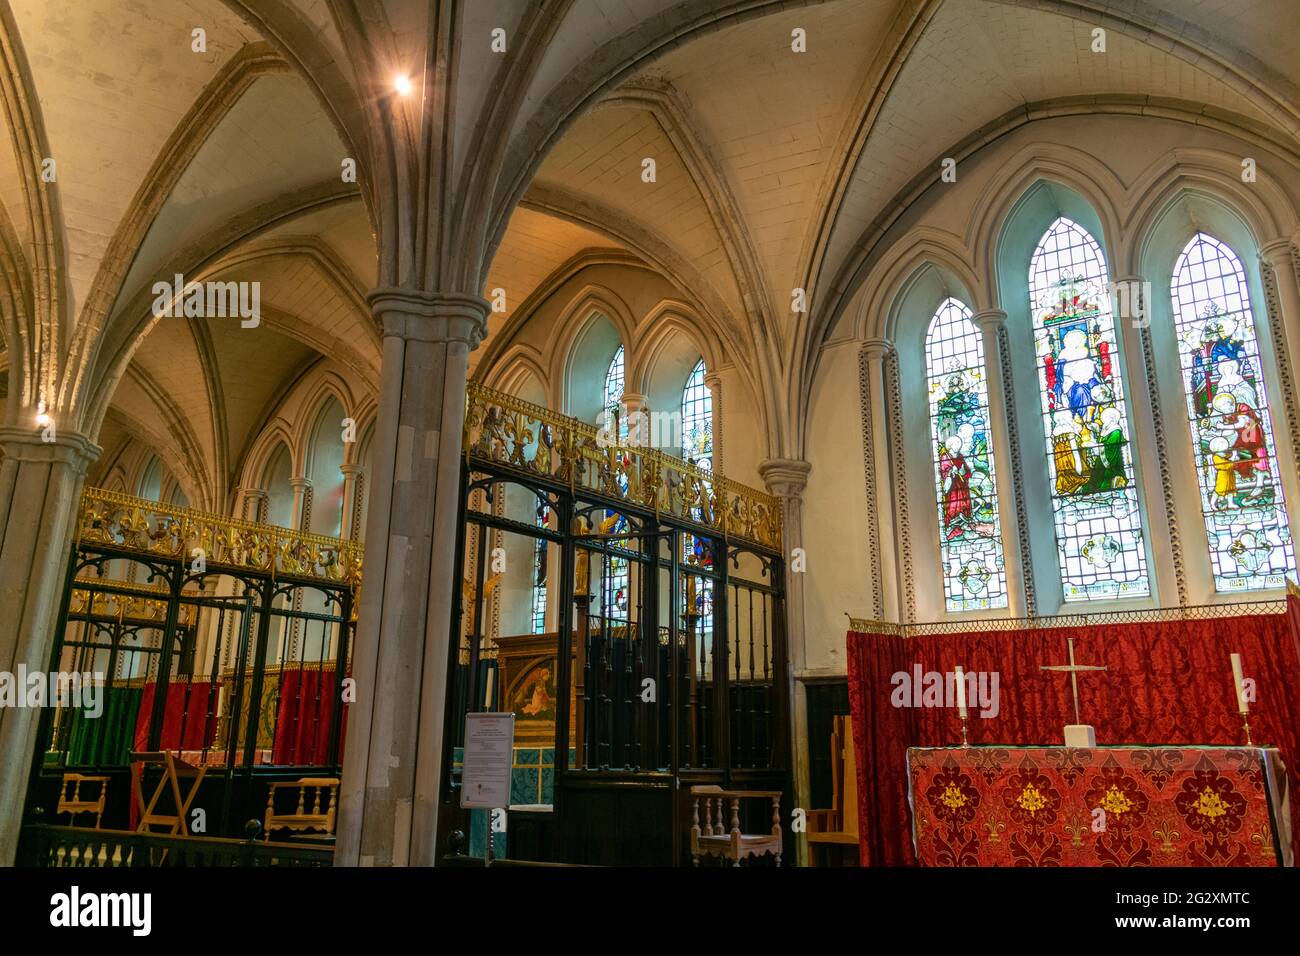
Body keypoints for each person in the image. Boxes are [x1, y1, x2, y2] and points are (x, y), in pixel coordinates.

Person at [938, 434, 972, 539]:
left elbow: (967, 472)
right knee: (954, 504)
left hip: (962, 486)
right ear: (950, 444)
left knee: (964, 502)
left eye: (959, 443)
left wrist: (962, 472)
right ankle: (952, 525)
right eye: (956, 443)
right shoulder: (945, 457)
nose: (958, 445)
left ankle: (964, 522)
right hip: (952, 488)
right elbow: (943, 472)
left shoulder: (960, 457)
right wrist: (951, 472)